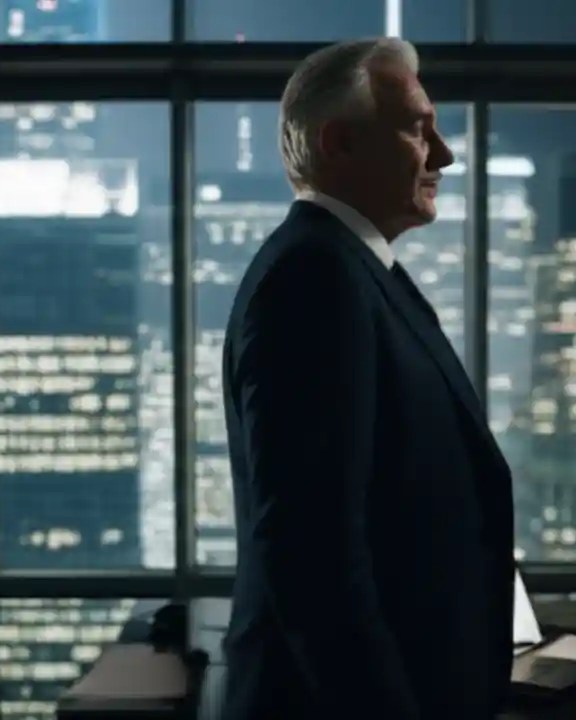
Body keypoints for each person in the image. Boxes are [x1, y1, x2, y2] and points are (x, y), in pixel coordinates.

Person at [219, 38, 515, 719]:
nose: (443, 154)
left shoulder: (350, 270)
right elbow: (312, 555)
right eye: (418, 129)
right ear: (340, 144)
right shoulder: (314, 280)